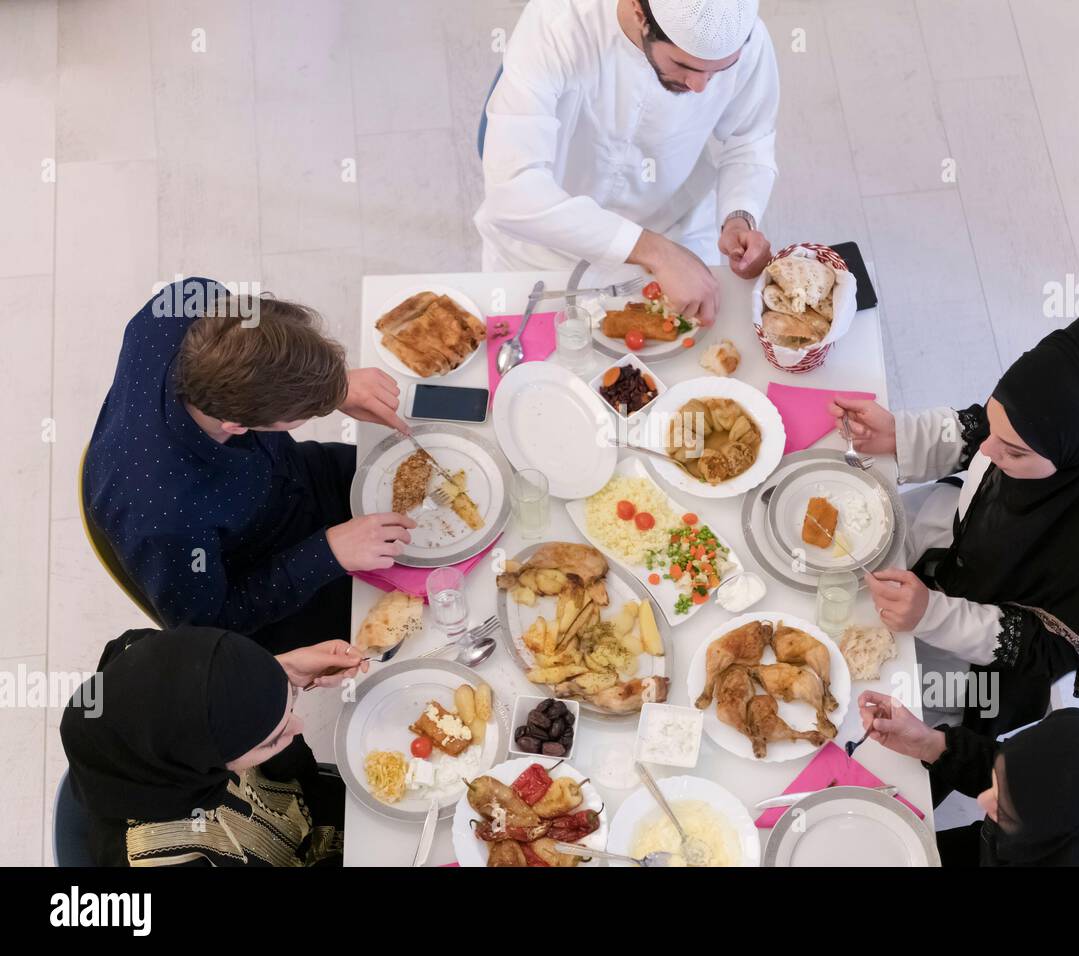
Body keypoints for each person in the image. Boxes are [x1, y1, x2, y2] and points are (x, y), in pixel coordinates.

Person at [831, 305, 1079, 735]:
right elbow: (989, 428)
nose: (986, 451)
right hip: (951, 540)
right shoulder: (1056, 418)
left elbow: (1041, 651)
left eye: (1013, 452)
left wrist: (930, 614)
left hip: (973, 651)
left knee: (853, 698)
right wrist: (901, 435)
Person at [85, 277, 416, 652]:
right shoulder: (168, 520)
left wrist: (335, 386)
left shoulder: (183, 304)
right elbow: (212, 625)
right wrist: (327, 553)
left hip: (294, 475)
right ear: (236, 427)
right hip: (266, 572)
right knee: (418, 615)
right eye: (308, 413)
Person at [475, 0, 779, 324]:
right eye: (684, 66)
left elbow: (749, 139)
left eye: (718, 71)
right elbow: (512, 188)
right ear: (639, 11)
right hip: (545, 242)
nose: (700, 86)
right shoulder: (558, 24)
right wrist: (653, 250)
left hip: (678, 232)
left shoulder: (749, 39)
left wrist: (739, 217)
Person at [60, 626, 368, 867]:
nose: (299, 726)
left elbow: (210, 687)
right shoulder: (159, 856)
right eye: (271, 740)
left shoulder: (143, 659)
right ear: (203, 765)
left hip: (323, 809)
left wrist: (276, 672)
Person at [858, 691, 1079, 866]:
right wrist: (930, 742)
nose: (981, 801)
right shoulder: (1065, 822)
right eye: (998, 779)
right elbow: (1029, 778)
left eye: (1008, 811)